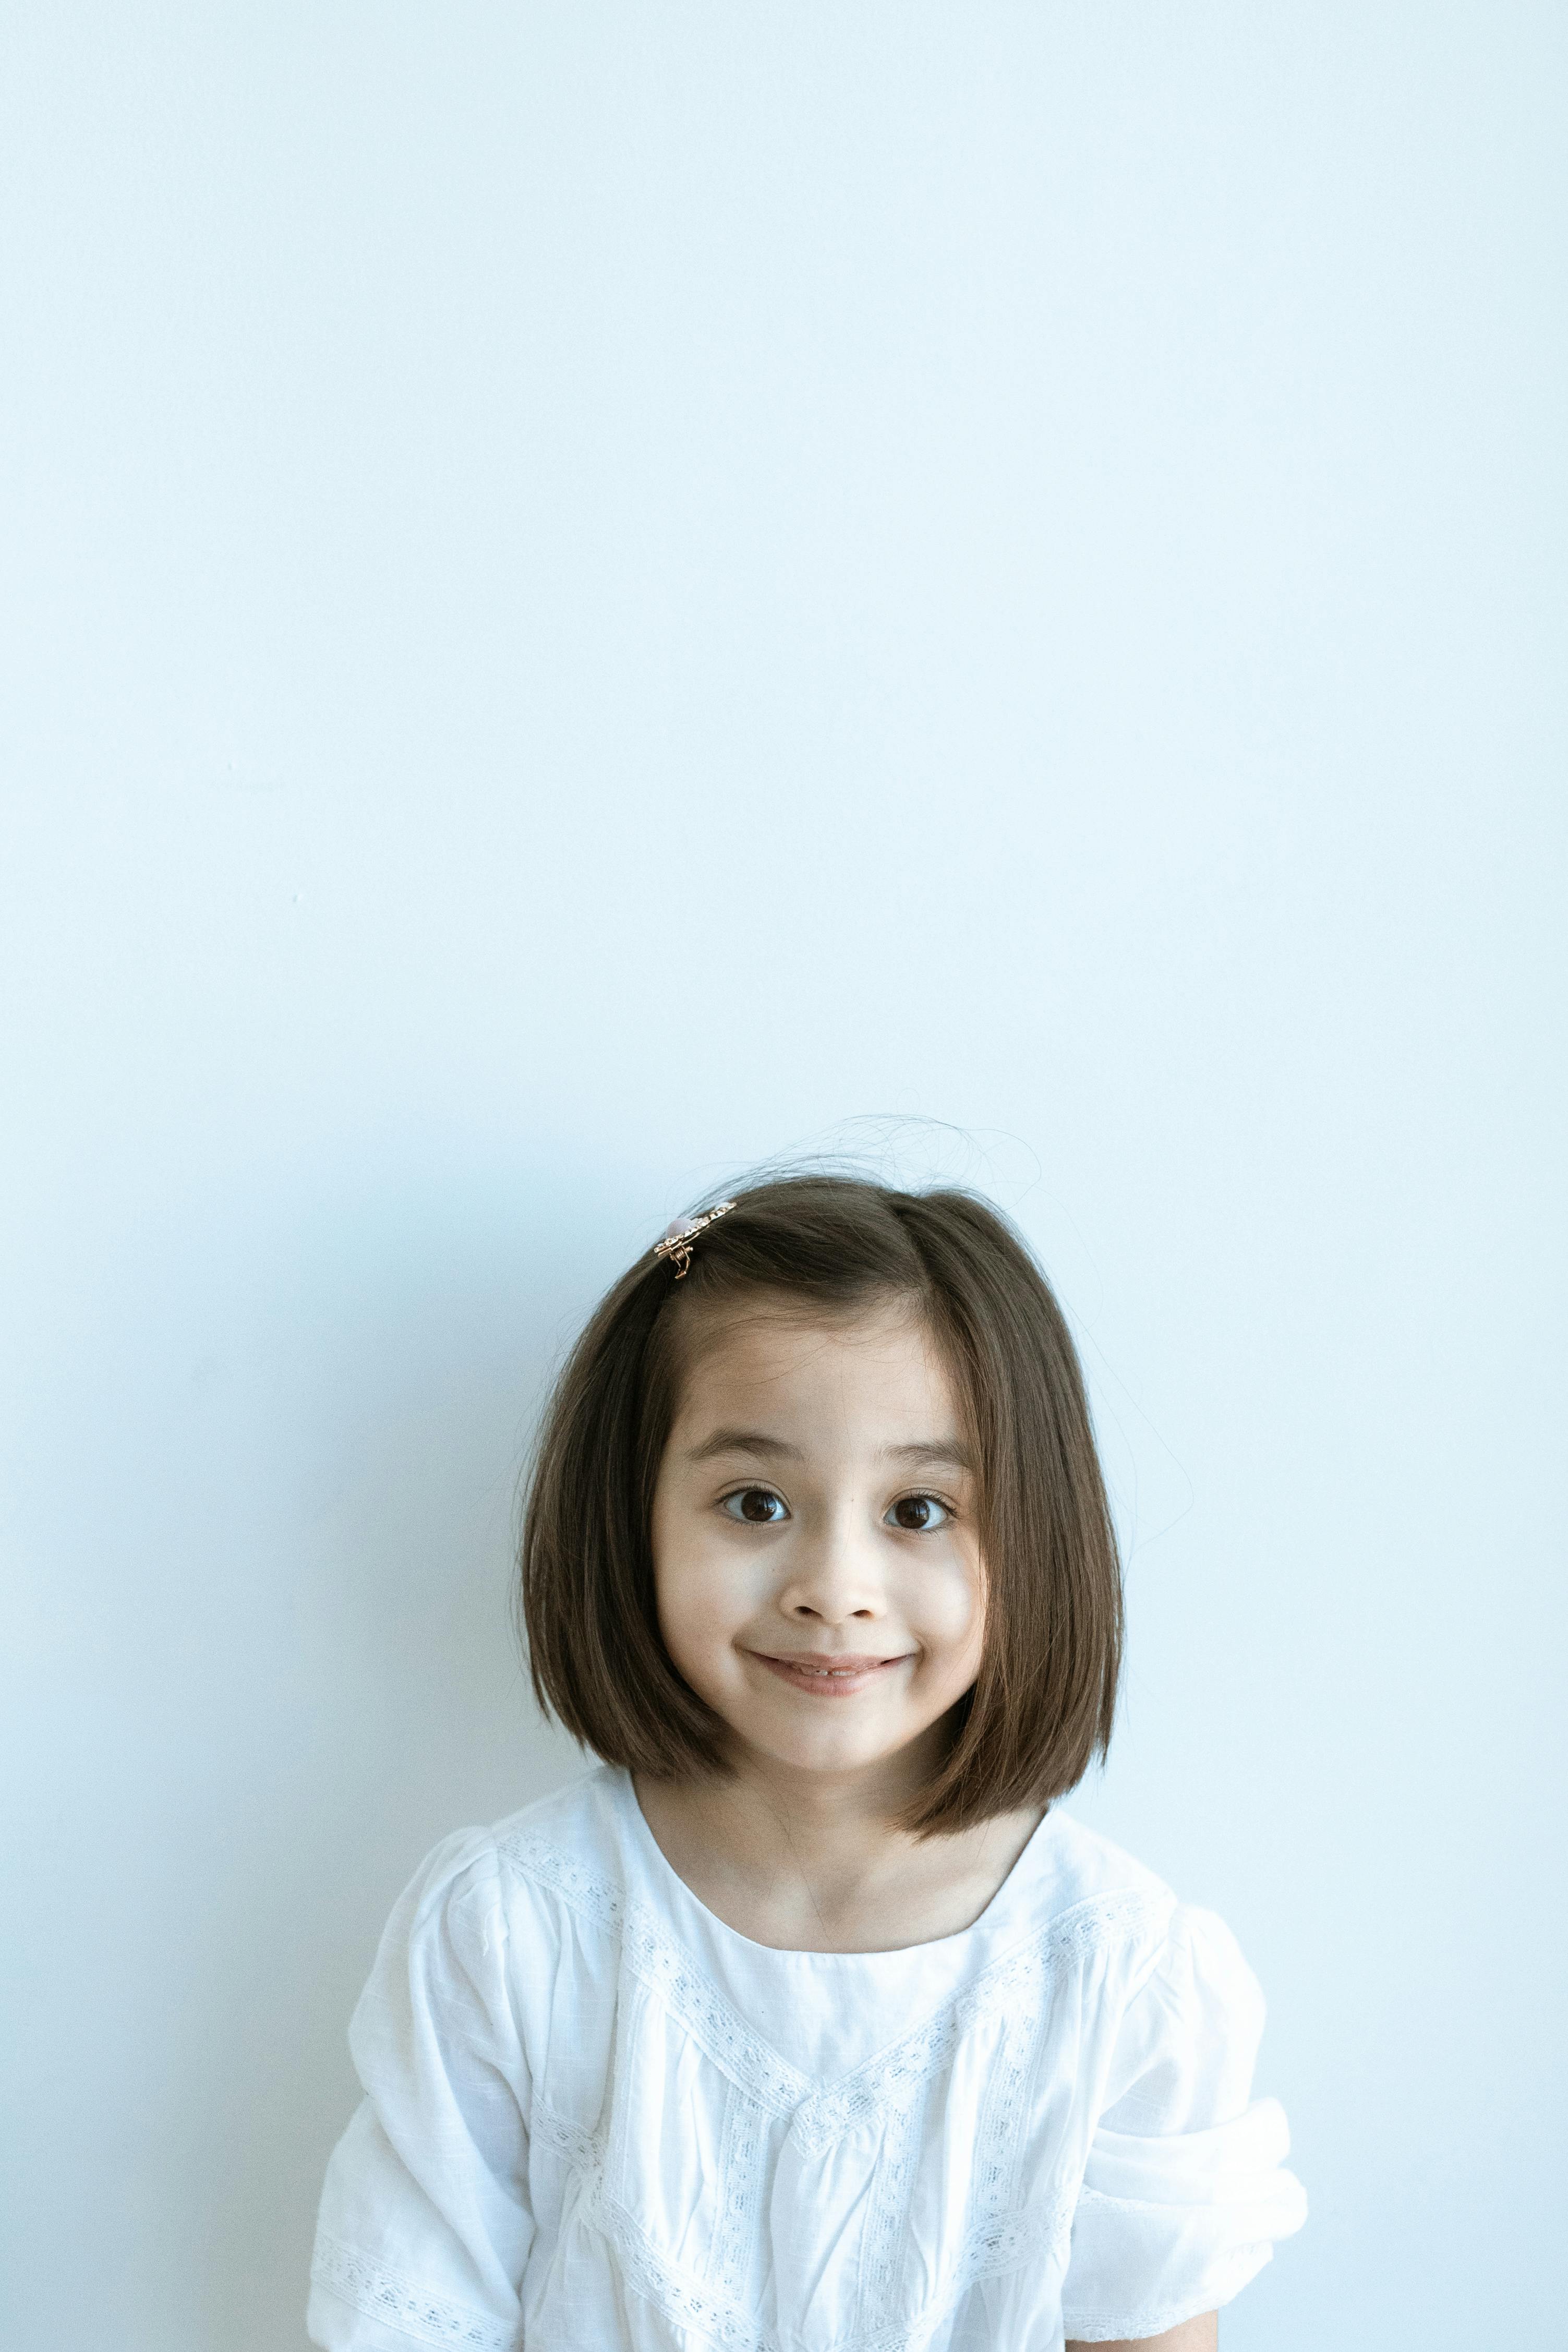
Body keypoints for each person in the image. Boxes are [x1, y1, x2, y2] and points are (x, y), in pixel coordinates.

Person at [307, 1174, 1306, 2351]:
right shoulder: (511, 1934)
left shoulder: (1127, 1980)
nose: (834, 1584)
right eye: (755, 1499)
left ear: (1032, 1535)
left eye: (920, 1511)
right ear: (631, 1514)